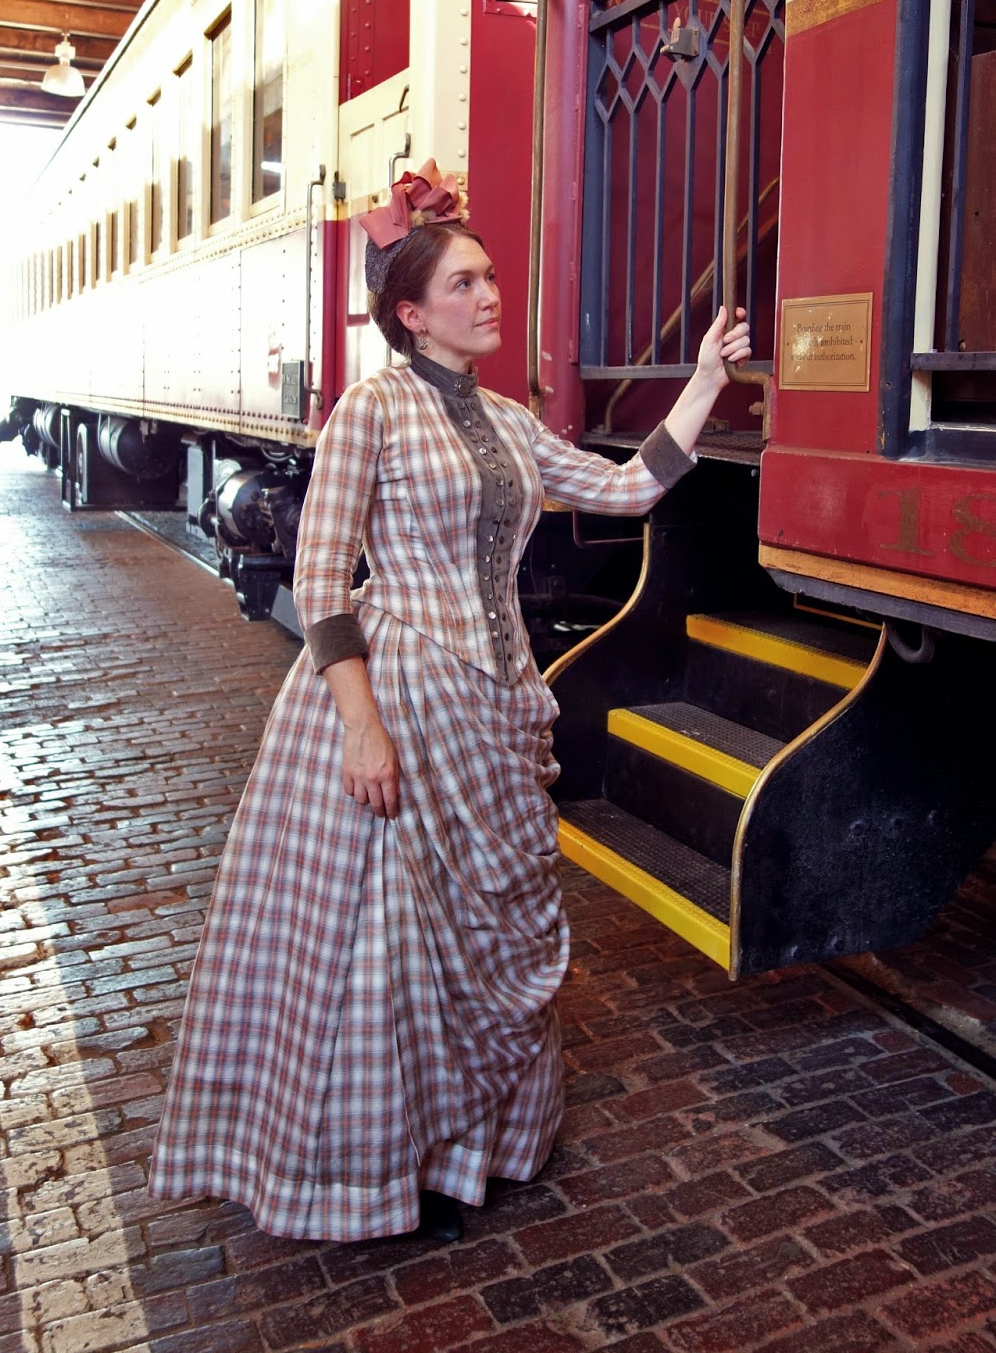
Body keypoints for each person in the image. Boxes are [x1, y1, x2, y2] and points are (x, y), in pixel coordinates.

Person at [147, 160, 751, 1244]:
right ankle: (382, 1161)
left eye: (488, 278)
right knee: (386, 932)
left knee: (490, 919)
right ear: (411, 313)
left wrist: (703, 380)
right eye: (464, 282)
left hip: (497, 698)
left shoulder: (512, 424)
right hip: (403, 692)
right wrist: (362, 726)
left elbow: (624, 486)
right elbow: (323, 579)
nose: (488, 296)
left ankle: (479, 1143)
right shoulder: (367, 414)